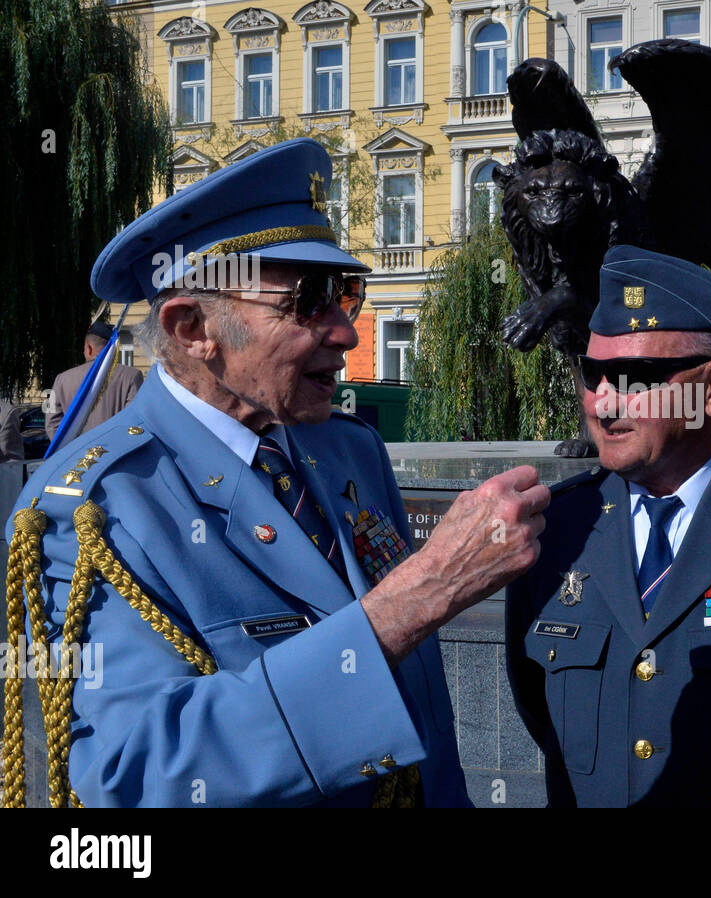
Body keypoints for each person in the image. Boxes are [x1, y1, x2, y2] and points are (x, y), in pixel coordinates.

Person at [3, 138, 549, 807]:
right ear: (192, 327)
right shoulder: (95, 510)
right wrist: (413, 600)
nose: (347, 332)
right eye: (309, 302)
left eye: (346, 295)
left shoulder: (346, 448)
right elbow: (131, 774)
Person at [505, 245, 711, 806]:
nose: (602, 401)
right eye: (593, 372)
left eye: (634, 376)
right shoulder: (554, 531)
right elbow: (537, 710)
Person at [44, 321, 143, 441]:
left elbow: (51, 424)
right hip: (115, 455)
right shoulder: (132, 376)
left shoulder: (62, 379)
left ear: (89, 348)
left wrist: (70, 450)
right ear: (115, 348)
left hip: (75, 456)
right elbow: (135, 420)